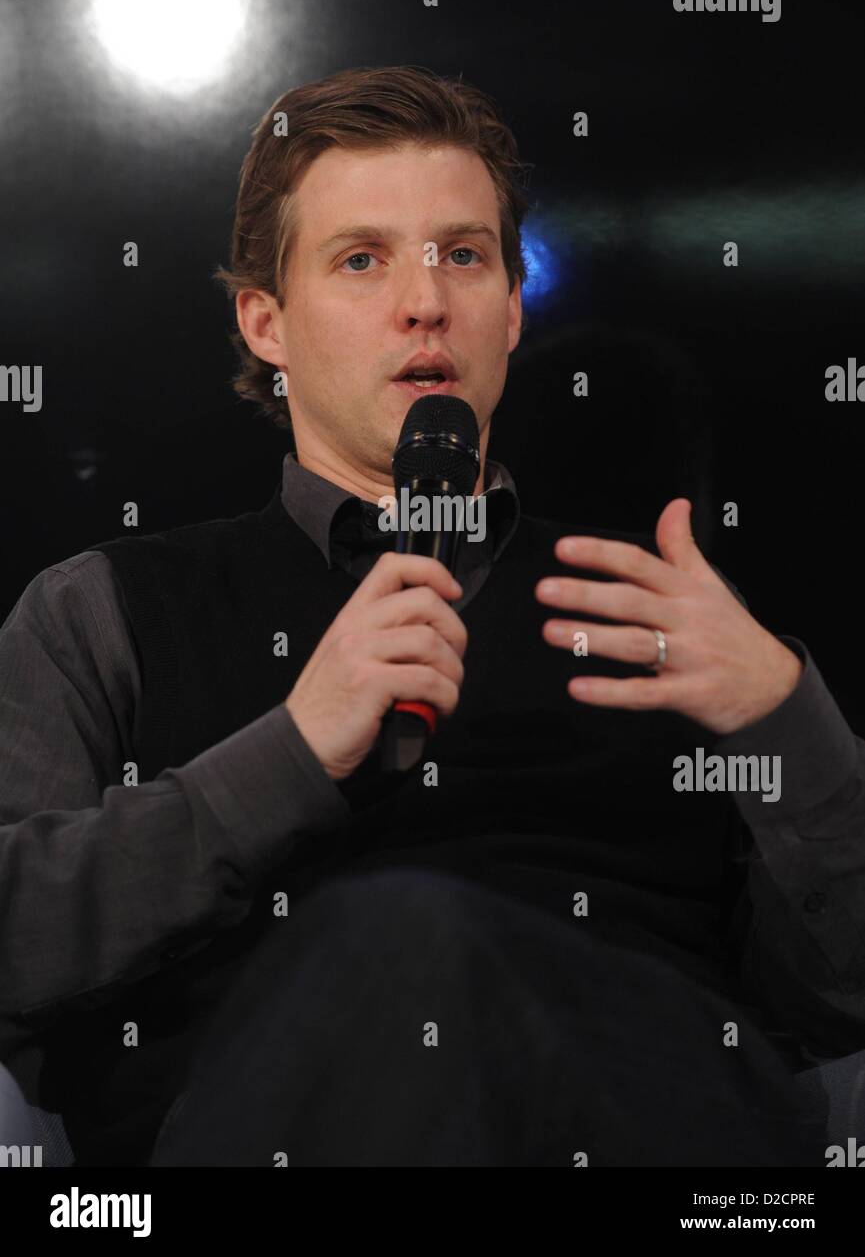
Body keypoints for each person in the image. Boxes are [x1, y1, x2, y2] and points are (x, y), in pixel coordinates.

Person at [1, 66, 863, 1167]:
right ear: (265, 321)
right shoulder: (103, 611)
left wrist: (790, 729)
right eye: (361, 260)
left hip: (647, 1124)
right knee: (399, 938)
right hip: (275, 1126)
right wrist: (290, 755)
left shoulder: (663, 611)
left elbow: (840, 1007)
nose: (425, 299)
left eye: (463, 254)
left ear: (510, 310)